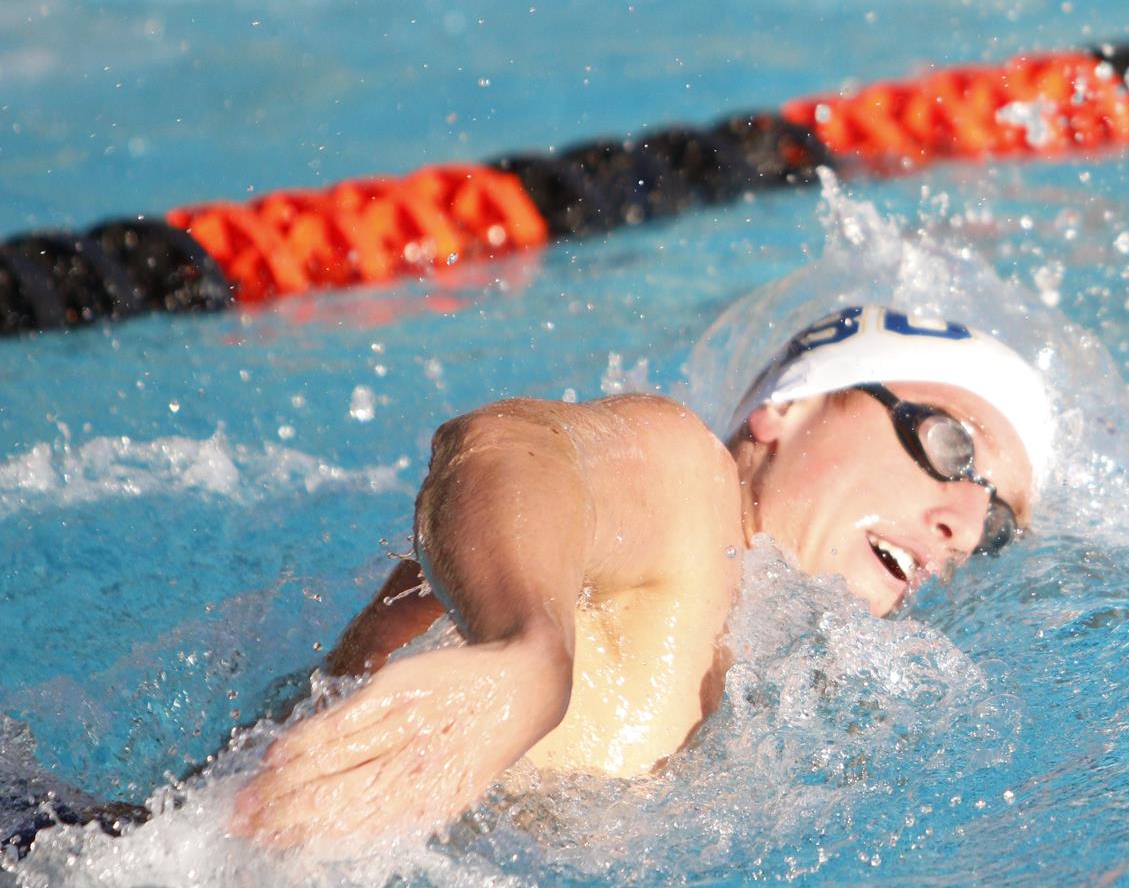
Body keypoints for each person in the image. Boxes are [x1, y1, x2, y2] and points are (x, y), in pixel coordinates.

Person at [226, 304, 1055, 852]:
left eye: (998, 522)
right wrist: (530, 649)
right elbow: (512, 446)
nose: (964, 522)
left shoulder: (769, 673)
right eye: (953, 448)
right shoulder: (690, 489)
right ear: (791, 406)